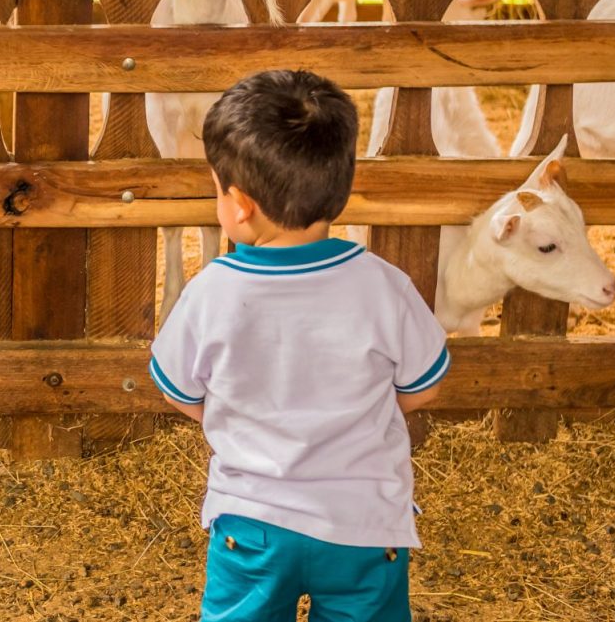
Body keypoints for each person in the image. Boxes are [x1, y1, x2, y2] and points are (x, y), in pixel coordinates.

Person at [150, 69, 448, 621]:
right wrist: (363, 409)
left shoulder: (211, 292)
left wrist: (239, 415)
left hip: (253, 525)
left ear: (238, 204)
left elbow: (179, 393)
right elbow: (422, 387)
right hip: (363, 526)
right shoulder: (384, 285)